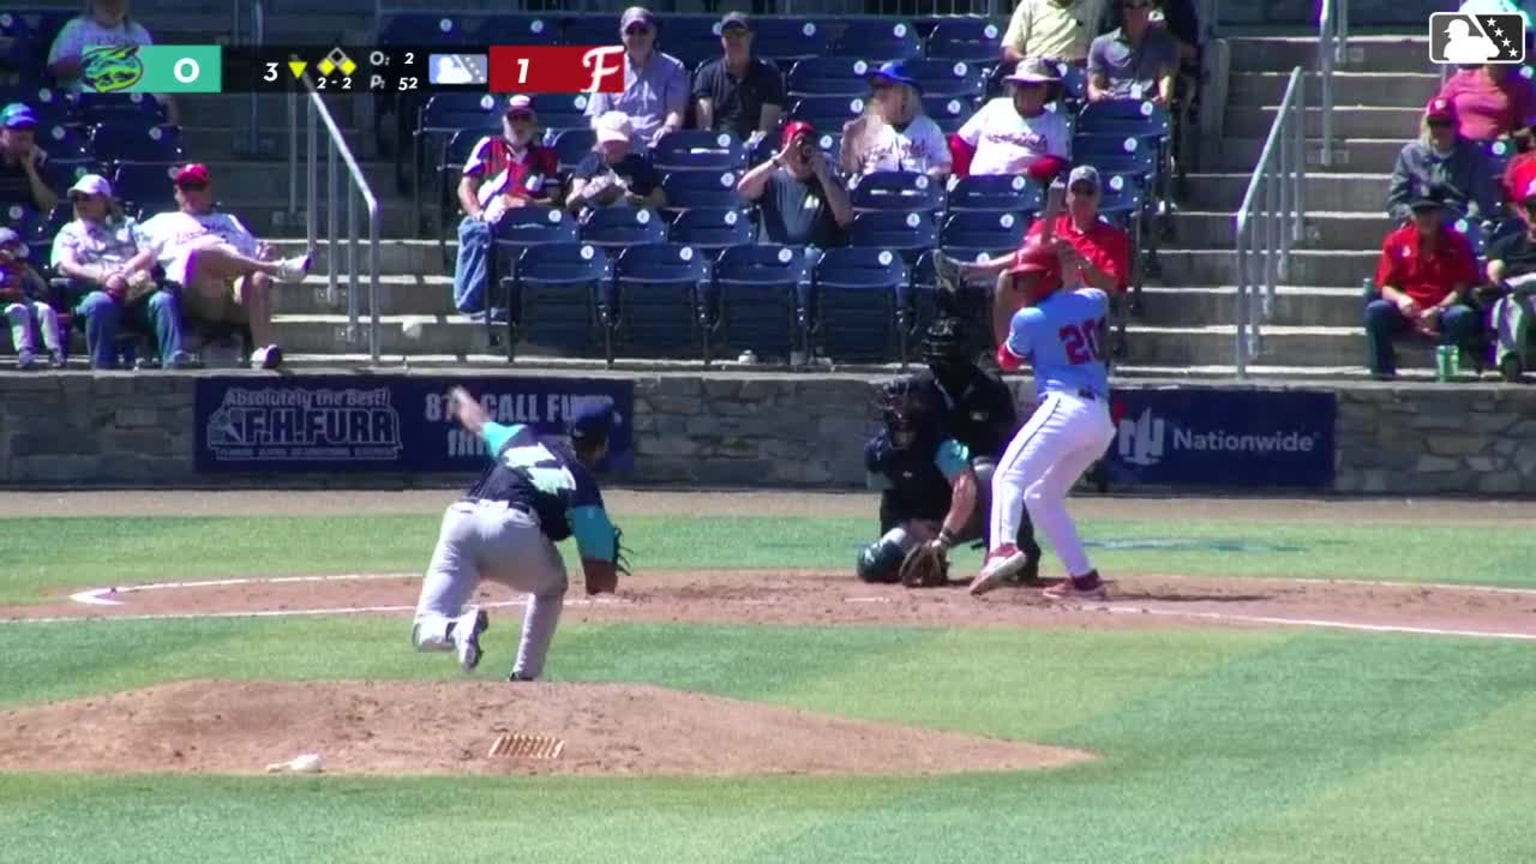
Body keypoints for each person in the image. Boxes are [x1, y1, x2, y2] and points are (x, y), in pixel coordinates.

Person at [411, 387, 627, 682]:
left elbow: (479, 422)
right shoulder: (582, 483)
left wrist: (460, 398)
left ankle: (455, 629)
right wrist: (607, 562)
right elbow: (598, 583)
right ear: (602, 445)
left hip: (461, 520)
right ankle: (524, 677)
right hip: (512, 528)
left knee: (424, 629)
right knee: (552, 587)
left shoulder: (519, 436)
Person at [969, 240, 1114, 600]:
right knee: (1041, 495)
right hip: (1099, 420)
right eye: (1019, 281)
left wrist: (1000, 303)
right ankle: (1084, 579)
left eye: (1029, 280)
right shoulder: (1094, 300)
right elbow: (1088, 292)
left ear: (1047, 278)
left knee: (1007, 475)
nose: (1022, 287)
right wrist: (1069, 272)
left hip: (1064, 406)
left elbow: (1006, 360)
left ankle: (1002, 548)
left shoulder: (1029, 318)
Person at [136, 164, 311, 369]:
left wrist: (265, 254)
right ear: (177, 193)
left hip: (234, 294)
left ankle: (262, 351)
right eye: (185, 187)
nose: (191, 192)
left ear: (209, 190)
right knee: (203, 253)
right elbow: (137, 253)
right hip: (198, 293)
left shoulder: (229, 220)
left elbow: (253, 252)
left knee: (259, 278)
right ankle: (278, 269)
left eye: (197, 186)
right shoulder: (161, 222)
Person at [915, 317, 1044, 581]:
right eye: (940, 355)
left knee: (990, 474)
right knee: (882, 562)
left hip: (982, 481)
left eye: (951, 355)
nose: (944, 364)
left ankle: (1006, 548)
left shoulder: (989, 389)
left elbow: (1008, 445)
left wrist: (966, 468)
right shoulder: (920, 389)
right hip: (934, 480)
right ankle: (916, 548)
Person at [50, 173, 194, 369]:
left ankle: (174, 362)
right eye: (76, 198)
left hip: (135, 293)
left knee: (163, 300)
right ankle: (102, 368)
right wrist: (102, 277)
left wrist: (124, 273)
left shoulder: (129, 225)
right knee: (100, 304)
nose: (80, 203)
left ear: (105, 200)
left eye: (87, 197)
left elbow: (149, 254)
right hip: (95, 292)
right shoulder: (70, 231)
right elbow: (66, 265)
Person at [934, 166, 1130, 300]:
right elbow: (1025, 258)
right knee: (1007, 277)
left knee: (1054, 257)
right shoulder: (1049, 224)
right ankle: (1008, 354)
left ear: (1098, 199)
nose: (1081, 197)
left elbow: (1112, 285)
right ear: (1067, 197)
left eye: (1088, 192)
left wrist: (1084, 263)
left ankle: (967, 271)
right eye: (1076, 191)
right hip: (1043, 291)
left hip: (1084, 299)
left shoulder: (1113, 238)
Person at [856, 375, 980, 585]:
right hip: (921, 523)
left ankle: (1006, 554)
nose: (899, 412)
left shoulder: (942, 444)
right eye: (894, 404)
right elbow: (890, 502)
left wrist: (943, 539)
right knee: (875, 564)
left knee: (988, 476)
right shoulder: (878, 451)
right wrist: (909, 527)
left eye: (907, 404)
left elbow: (966, 492)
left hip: (967, 520)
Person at [451, 95, 560, 319]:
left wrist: (530, 204)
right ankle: (471, 305)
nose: (519, 125)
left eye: (524, 118)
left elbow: (555, 200)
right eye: (514, 118)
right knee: (478, 232)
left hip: (529, 221)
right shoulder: (488, 146)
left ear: (534, 122)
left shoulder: (547, 157)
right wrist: (478, 214)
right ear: (504, 120)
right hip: (487, 218)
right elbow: (465, 188)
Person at [1364, 187, 1480, 379]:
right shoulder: (1396, 241)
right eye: (1420, 212)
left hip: (1443, 308)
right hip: (1408, 308)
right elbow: (1385, 286)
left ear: (1440, 213)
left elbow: (1461, 287)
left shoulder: (1457, 242)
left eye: (1430, 212)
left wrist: (1438, 310)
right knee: (1376, 311)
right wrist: (1402, 300)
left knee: (1462, 315)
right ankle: (1382, 374)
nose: (1425, 218)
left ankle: (1447, 373)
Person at [46, 0, 178, 124]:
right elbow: (54, 71)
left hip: (135, 108)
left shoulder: (139, 33)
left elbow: (156, 82)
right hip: (88, 108)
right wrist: (91, 63)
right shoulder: (75, 29)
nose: (114, 6)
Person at [736, 120, 854, 250]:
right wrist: (780, 160)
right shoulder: (771, 180)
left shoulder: (828, 181)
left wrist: (823, 174)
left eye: (807, 144)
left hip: (812, 258)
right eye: (795, 145)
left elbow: (846, 219)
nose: (800, 151)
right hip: (773, 258)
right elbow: (744, 189)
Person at [583, 7, 689, 149]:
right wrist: (610, 134)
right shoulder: (608, 67)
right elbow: (596, 117)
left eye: (643, 31)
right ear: (622, 35)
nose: (637, 37)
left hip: (657, 145)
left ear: (654, 33)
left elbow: (675, 113)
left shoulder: (673, 67)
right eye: (630, 32)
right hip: (617, 146)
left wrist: (668, 129)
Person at [950, 58, 1070, 178]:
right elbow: (960, 142)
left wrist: (1030, 173)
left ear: (1046, 90)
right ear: (1015, 88)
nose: (1029, 91)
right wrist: (964, 178)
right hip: (978, 185)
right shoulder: (995, 106)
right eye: (1023, 85)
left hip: (1021, 189)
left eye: (1035, 86)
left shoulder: (1056, 122)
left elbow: (1057, 160)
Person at [1387, 97, 1496, 224]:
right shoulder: (1410, 154)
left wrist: (1465, 223)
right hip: (1419, 221)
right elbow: (1396, 201)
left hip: (1460, 224)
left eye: (1445, 123)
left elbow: (1482, 201)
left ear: (1457, 125)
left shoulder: (1474, 154)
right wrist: (1419, 217)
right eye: (1434, 123)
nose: (1439, 129)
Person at [839, 60, 952, 178]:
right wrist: (849, 140)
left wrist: (929, 177)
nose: (879, 92)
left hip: (916, 192)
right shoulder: (864, 128)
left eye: (885, 86)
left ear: (905, 93)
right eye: (876, 87)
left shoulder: (928, 128)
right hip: (875, 193)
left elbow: (944, 165)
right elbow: (850, 172)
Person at [692, 13, 785, 145]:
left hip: (755, 147)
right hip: (717, 146)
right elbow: (705, 128)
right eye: (728, 33)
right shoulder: (706, 75)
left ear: (750, 36)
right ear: (721, 39)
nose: (733, 38)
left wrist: (752, 143)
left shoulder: (770, 76)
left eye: (739, 32)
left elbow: (766, 130)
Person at [1484, 165, 1536, 380]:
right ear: (1525, 213)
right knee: (1513, 302)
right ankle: (1510, 363)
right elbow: (1494, 270)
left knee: (1514, 293)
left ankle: (1512, 287)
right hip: (1518, 301)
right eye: (1534, 211)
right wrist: (1498, 281)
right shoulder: (1508, 244)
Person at [567, 111, 666, 212]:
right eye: (608, 142)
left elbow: (660, 200)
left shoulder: (640, 165)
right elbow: (570, 202)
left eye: (618, 142)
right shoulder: (589, 164)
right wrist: (588, 192)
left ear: (628, 143)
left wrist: (634, 199)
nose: (613, 146)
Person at [1087, 0, 1180, 104]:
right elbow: (1093, 87)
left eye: (1144, 5)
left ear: (1151, 8)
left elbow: (1165, 88)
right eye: (1129, 6)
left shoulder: (1165, 44)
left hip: (1147, 110)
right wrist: (1098, 95)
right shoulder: (1101, 44)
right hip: (1113, 108)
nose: (1137, 12)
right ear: (1121, 9)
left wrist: (1160, 101)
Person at [0, 227, 63, 369]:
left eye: (12, 247)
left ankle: (54, 351)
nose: (8, 251)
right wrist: (5, 292)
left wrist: (24, 271)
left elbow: (42, 289)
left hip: (22, 299)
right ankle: (25, 352)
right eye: (5, 247)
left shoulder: (21, 267)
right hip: (4, 304)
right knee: (19, 310)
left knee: (45, 310)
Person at [1436, 62, 1536, 142]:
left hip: (1497, 151)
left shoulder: (1520, 85)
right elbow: (1435, 111)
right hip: (1460, 148)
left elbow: (1531, 126)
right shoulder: (1461, 79)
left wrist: (1512, 136)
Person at [1001, 0, 1109, 66]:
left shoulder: (1097, 5)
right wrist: (1032, 62)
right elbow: (1010, 51)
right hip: (1034, 76)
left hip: (1076, 77)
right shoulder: (1030, 4)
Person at [0, 104, 58, 213]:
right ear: (2, 132)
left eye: (28, 128)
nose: (24, 133)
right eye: (17, 127)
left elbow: (50, 207)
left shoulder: (41, 161)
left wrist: (31, 171)